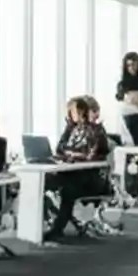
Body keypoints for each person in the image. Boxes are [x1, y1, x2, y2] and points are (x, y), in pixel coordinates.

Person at [44, 97, 111, 241]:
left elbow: (90, 154)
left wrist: (71, 154)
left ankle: (58, 228)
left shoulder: (96, 130)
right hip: (72, 173)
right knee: (45, 181)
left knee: (68, 189)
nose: (70, 116)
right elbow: (60, 149)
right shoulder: (72, 129)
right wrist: (69, 129)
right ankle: (45, 223)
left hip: (91, 178)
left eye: (72, 112)